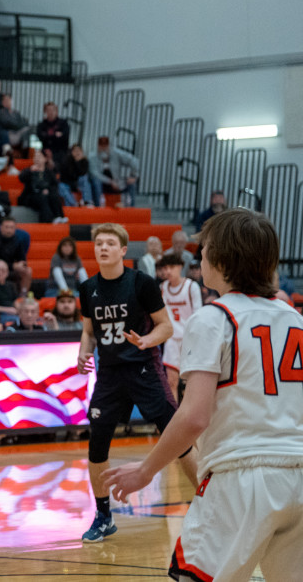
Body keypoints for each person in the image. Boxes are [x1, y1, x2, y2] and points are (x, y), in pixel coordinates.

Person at [103, 209, 303, 582]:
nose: (200, 257)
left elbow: (195, 416)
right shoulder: (295, 319)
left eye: (205, 249)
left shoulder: (214, 318)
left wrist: (146, 470)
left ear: (223, 259)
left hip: (241, 478)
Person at [76, 223, 198, 543]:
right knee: (97, 443)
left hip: (143, 369)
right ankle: (103, 516)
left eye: (109, 243)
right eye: (98, 243)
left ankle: (208, 502)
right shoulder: (88, 288)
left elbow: (165, 327)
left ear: (122, 250)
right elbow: (89, 331)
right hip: (110, 375)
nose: (102, 247)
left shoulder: (141, 283)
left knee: (178, 434)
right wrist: (83, 352)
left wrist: (146, 341)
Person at [156, 252, 202, 403]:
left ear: (180, 267)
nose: (168, 271)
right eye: (166, 268)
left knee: (191, 383)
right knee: (171, 382)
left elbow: (198, 315)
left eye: (172, 267)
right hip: (171, 340)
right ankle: (173, 417)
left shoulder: (191, 286)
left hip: (190, 339)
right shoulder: (162, 288)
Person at [90, 137, 139, 208]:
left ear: (109, 145)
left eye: (105, 145)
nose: (104, 148)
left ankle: (131, 209)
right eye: (101, 145)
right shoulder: (92, 156)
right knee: (96, 181)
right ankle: (98, 207)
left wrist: (133, 175)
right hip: (101, 184)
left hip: (116, 183)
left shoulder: (116, 153)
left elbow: (133, 160)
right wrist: (110, 181)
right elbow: (95, 173)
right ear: (98, 146)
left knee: (132, 183)